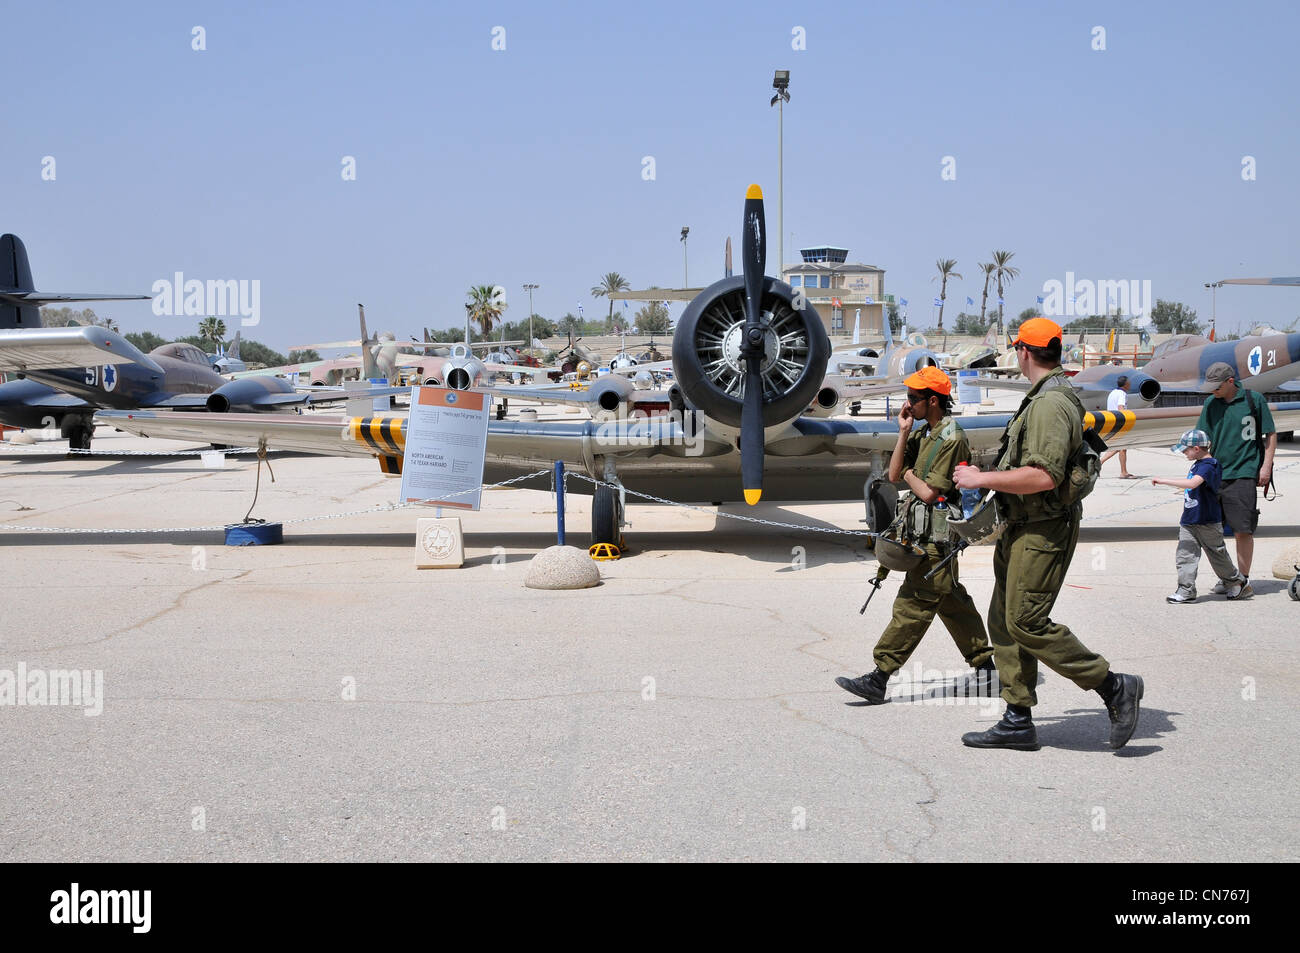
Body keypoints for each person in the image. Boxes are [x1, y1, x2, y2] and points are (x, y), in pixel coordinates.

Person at [953, 317, 1143, 751]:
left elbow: (1042, 476)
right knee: (1003, 619)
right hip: (1023, 525)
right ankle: (1017, 718)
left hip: (1043, 528)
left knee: (1026, 620)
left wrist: (981, 479)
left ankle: (1114, 687)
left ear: (1023, 352)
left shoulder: (1049, 404)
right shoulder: (1046, 396)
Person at [836, 367, 995, 704]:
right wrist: (903, 433)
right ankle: (987, 671)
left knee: (913, 604)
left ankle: (879, 677)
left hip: (937, 538)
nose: (908, 403)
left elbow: (930, 493)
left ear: (932, 400)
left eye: (913, 398)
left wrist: (909, 473)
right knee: (952, 604)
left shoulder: (952, 437)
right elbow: (894, 474)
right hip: (921, 533)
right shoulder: (924, 433)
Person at [1195, 362, 1276, 599]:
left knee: (1242, 529)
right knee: (1211, 531)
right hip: (1215, 475)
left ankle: (1242, 580)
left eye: (1217, 387)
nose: (1212, 391)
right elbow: (1202, 439)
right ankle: (1228, 576)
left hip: (1244, 472)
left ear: (1231, 382)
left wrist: (1266, 467)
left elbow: (1270, 434)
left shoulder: (1255, 400)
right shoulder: (1211, 403)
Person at [1152, 429, 1245, 603]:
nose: (1183, 453)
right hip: (1189, 520)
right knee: (1185, 555)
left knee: (1217, 555)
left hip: (1207, 521)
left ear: (1196, 448)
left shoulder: (1210, 465)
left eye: (1185, 450)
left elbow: (1193, 483)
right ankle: (1186, 590)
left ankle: (1235, 581)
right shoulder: (1197, 463)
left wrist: (1164, 480)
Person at [1099, 375, 1135, 478]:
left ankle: (1123, 471)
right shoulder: (1122, 394)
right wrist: (1127, 420)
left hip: (1112, 421)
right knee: (1121, 447)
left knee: (1121, 448)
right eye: (1129, 383)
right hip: (1120, 422)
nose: (1130, 384)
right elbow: (1120, 407)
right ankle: (1101, 463)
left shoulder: (1113, 393)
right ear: (1126, 384)